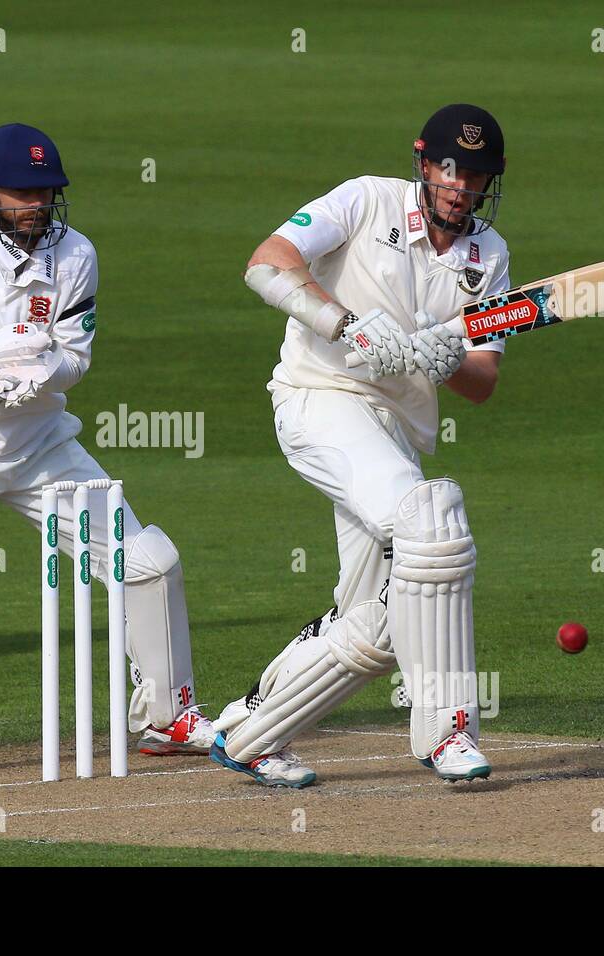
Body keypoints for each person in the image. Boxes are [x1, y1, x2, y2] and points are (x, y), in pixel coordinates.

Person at [0, 123, 214, 776]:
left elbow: (75, 357)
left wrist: (35, 370)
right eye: (22, 192)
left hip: (41, 448)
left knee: (149, 560)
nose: (36, 205)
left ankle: (167, 712)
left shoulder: (76, 255)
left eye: (47, 192)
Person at [211, 104, 510, 787]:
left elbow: (482, 379)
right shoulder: (365, 200)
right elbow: (266, 263)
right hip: (321, 399)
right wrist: (346, 325)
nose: (460, 187)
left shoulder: (487, 255)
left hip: (393, 431)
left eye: (475, 176)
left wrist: (444, 360)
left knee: (380, 622)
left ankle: (250, 734)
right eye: (448, 169)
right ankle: (449, 731)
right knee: (432, 523)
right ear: (424, 163)